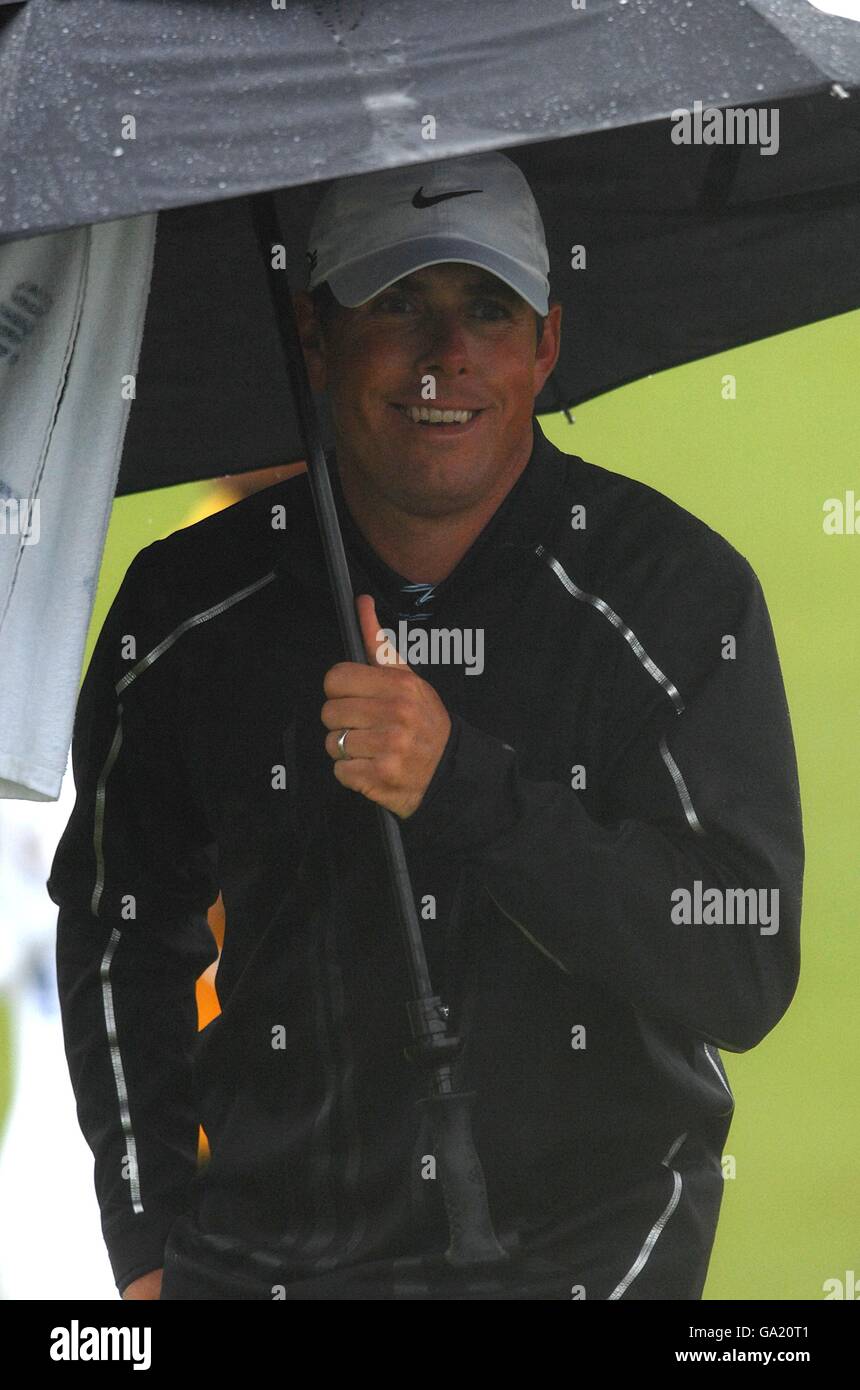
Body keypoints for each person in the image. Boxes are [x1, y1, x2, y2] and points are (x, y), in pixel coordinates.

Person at [47, 151, 804, 1301]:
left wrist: (468, 789)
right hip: (261, 1263)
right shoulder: (185, 608)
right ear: (314, 334)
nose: (444, 355)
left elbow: (741, 967)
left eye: (486, 309)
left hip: (581, 1256)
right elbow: (118, 931)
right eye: (396, 302)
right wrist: (144, 1243)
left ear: (545, 342)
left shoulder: (675, 596)